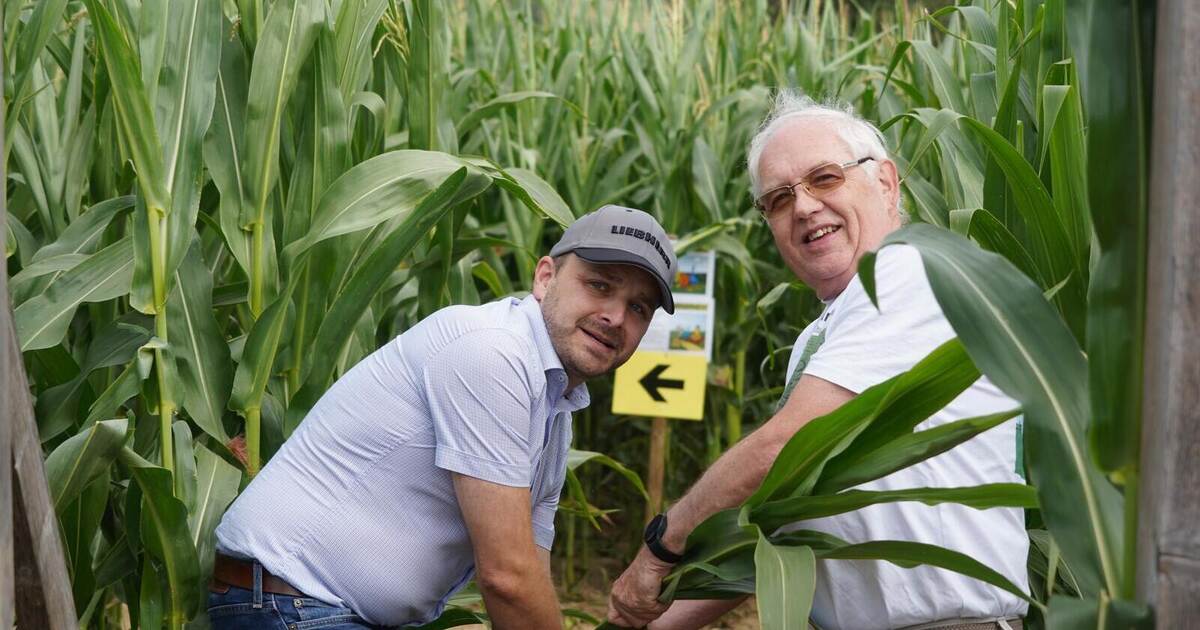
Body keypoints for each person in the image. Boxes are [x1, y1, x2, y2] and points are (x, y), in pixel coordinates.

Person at [607, 91, 1030, 630]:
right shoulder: (829, 330)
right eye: (779, 198)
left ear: (885, 182)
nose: (804, 206)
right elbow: (781, 517)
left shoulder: (909, 277)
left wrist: (658, 550)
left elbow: (780, 449)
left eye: (825, 178)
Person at [208, 205, 678, 629]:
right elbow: (507, 577)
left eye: (638, 307)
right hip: (289, 604)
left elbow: (529, 571)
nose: (616, 317)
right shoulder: (491, 352)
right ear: (544, 278)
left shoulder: (555, 412)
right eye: (599, 285)